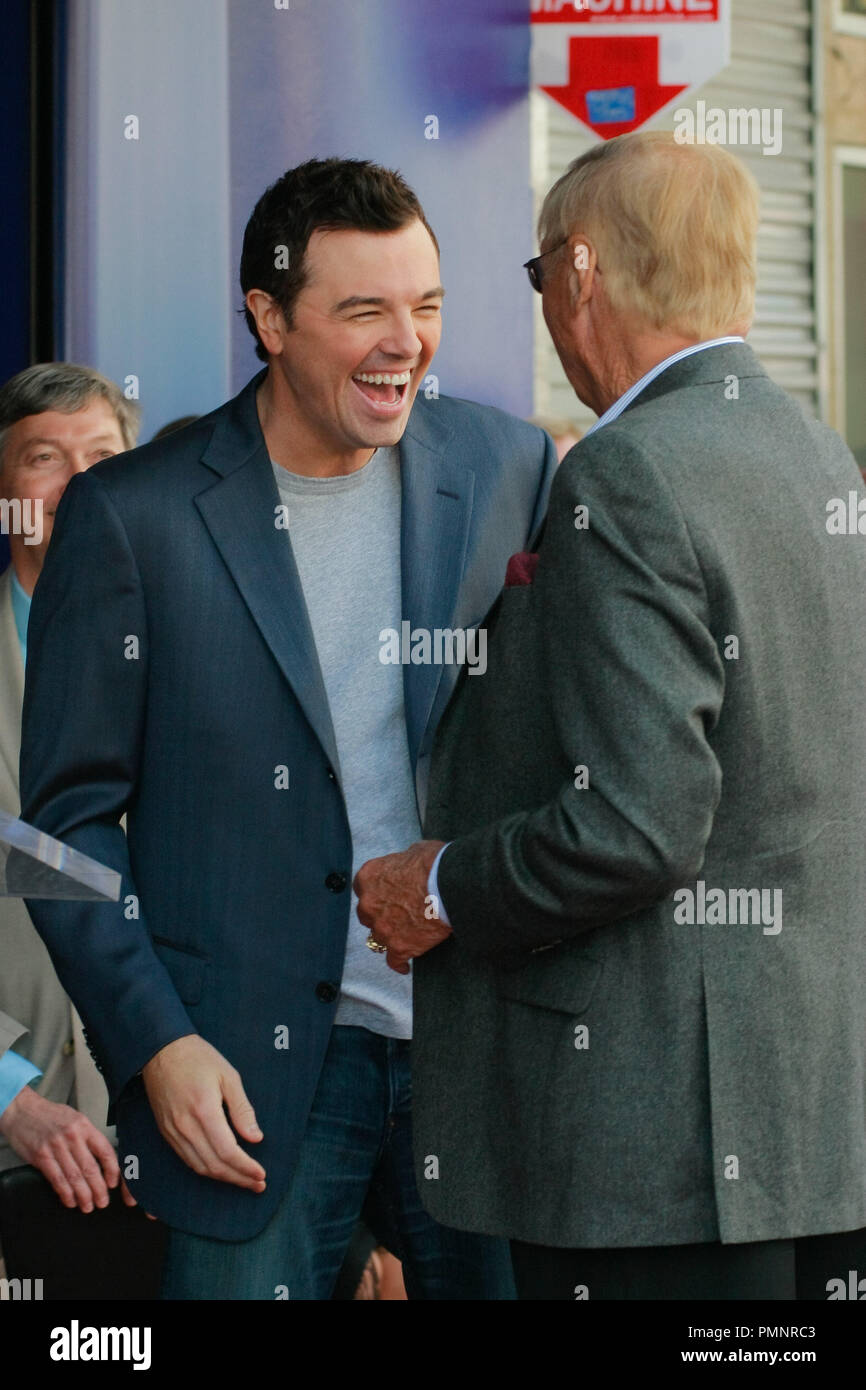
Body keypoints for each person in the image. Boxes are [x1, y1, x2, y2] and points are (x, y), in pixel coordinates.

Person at [19, 158, 555, 1300]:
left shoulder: (506, 467)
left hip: (477, 1055)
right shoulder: (133, 515)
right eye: (363, 310)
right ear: (268, 318)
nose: (404, 341)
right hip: (244, 1081)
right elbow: (65, 830)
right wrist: (156, 1043)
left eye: (425, 305)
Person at [355, 131, 866, 1301]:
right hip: (799, 1122)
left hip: (651, 1149)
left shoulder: (625, 473)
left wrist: (435, 888)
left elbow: (636, 825)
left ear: (581, 272)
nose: (542, 307)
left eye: (537, 279)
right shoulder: (817, 455)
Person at [0, 364, 138, 1230]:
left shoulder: (200, 655)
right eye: (46, 457)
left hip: (181, 1144)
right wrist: (9, 1099)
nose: (82, 482)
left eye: (103, 455)